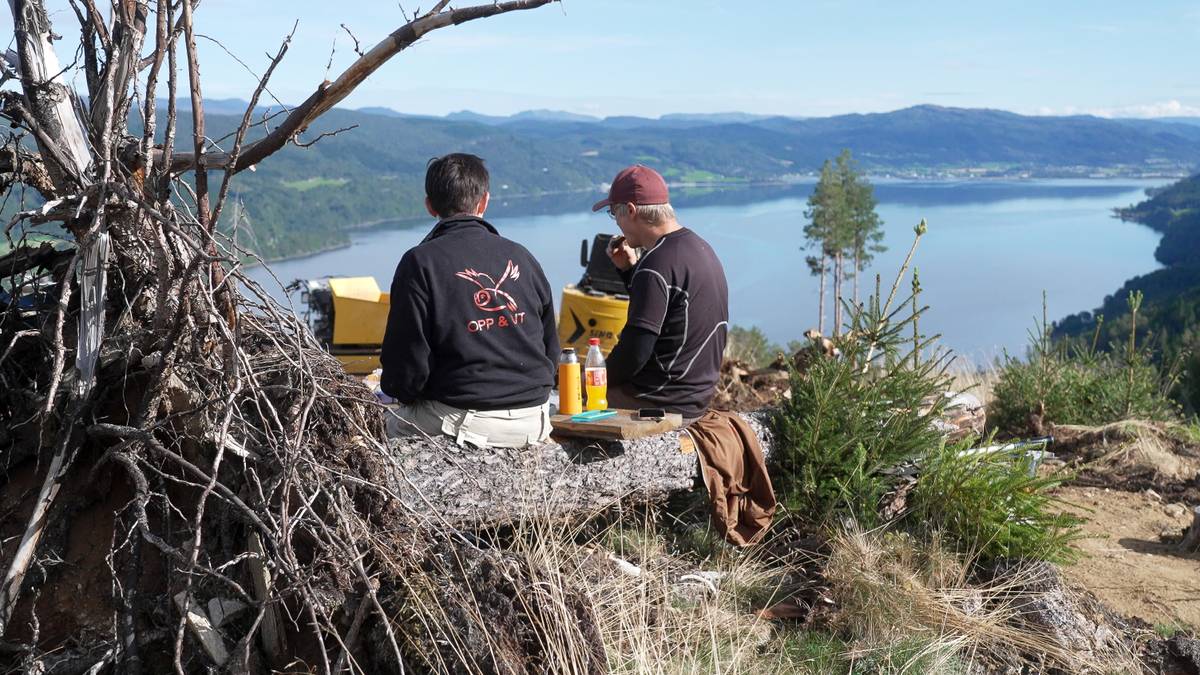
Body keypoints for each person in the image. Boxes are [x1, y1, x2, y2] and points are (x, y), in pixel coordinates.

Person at [380, 153, 559, 447]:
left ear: (429, 206)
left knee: (375, 430)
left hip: (467, 420)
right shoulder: (522, 256)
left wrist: (399, 392)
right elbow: (550, 347)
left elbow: (407, 367)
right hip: (536, 417)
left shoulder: (420, 263)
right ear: (484, 202)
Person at [594, 164, 730, 423]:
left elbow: (634, 354)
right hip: (694, 397)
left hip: (657, 400)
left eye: (615, 214)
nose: (618, 224)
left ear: (631, 211)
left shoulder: (656, 264)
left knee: (563, 401)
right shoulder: (699, 247)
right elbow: (668, 315)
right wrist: (629, 271)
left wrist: (588, 381)